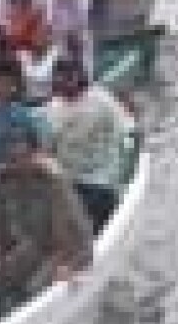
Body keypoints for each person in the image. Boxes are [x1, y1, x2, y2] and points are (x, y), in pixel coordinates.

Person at [0, 113, 94, 323]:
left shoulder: (53, 181)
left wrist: (68, 264)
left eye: (21, 157)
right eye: (10, 159)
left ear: (35, 154)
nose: (15, 164)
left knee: (33, 289)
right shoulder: (0, 180)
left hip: (59, 251)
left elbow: (75, 233)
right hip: (25, 249)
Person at [43, 59, 132, 227]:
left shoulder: (102, 100)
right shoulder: (51, 108)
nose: (64, 81)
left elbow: (127, 130)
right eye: (59, 77)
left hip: (100, 176)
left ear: (79, 76)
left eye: (69, 76)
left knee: (93, 205)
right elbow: (48, 148)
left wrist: (124, 167)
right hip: (67, 177)